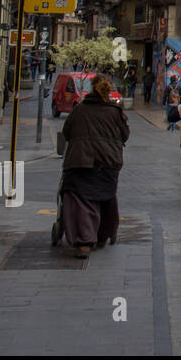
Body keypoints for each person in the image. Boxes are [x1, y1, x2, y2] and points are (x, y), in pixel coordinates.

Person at [59, 74, 129, 258]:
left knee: (81, 200)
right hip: (109, 163)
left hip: (81, 161)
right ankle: (104, 234)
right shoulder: (116, 112)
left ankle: (84, 241)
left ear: (91, 88)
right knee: (106, 196)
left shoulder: (80, 110)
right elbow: (125, 135)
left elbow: (67, 131)